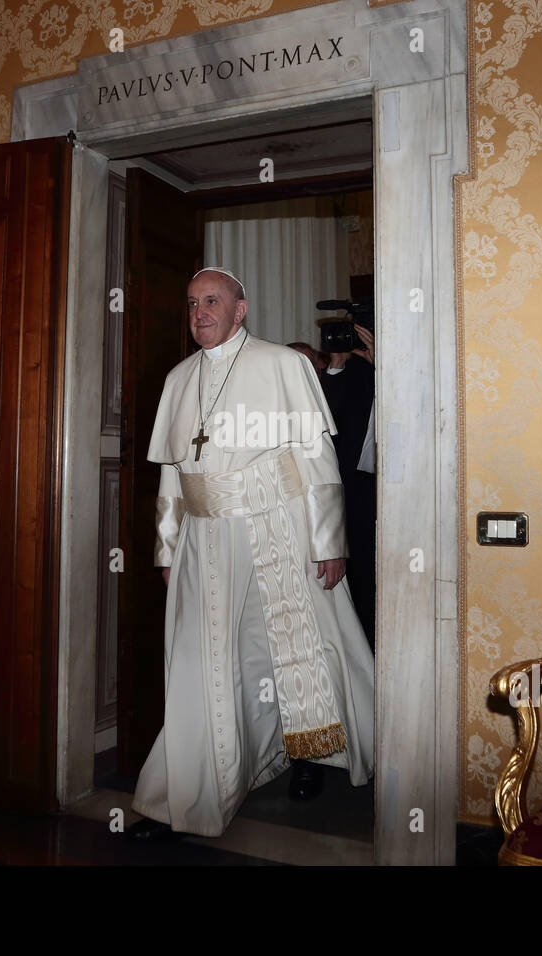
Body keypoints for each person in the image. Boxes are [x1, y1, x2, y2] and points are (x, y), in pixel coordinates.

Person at [127, 267, 375, 840]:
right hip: (205, 538)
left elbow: (316, 460)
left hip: (278, 526)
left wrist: (329, 541)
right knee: (202, 662)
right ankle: (186, 793)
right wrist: (166, 550)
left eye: (212, 301)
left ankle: (310, 754)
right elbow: (171, 475)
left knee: (294, 644)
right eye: (192, 303)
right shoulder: (178, 378)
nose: (200, 313)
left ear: (241, 309)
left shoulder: (281, 364)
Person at [318, 324, 377, 648]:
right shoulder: (344, 374)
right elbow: (321, 425)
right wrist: (335, 367)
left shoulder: (370, 373)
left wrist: (384, 367)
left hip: (376, 494)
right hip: (345, 495)